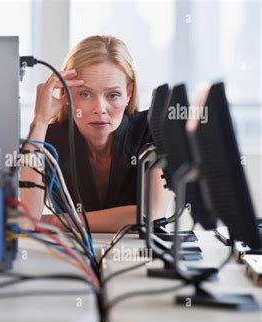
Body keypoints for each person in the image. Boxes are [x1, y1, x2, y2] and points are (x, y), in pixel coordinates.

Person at [20, 35, 171, 232]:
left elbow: (150, 213)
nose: (100, 109)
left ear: (129, 93)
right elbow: (28, 219)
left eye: (113, 95)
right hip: (71, 255)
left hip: (140, 256)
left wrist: (55, 221)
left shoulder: (152, 130)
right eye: (85, 94)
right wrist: (40, 120)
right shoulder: (49, 139)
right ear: (67, 94)